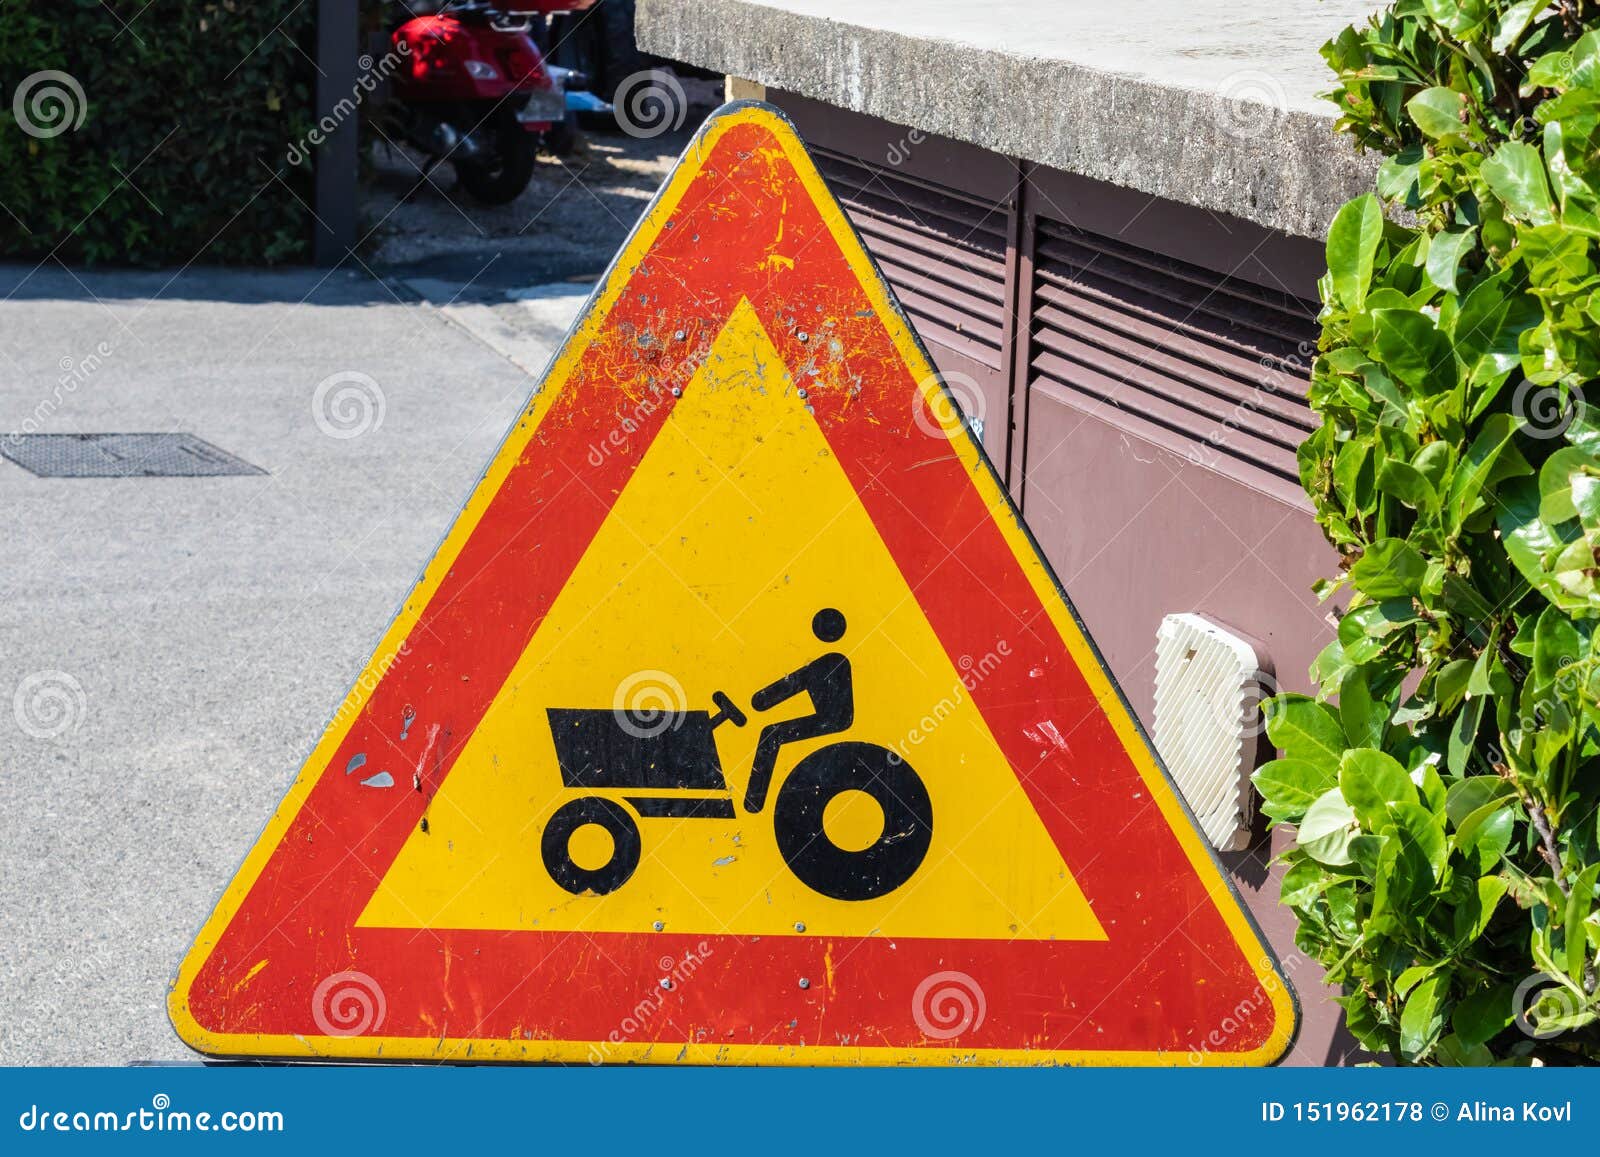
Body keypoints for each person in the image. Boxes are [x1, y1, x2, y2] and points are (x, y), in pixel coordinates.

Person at [743, 608, 853, 813]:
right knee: (771, 732)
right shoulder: (830, 661)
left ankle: (753, 801)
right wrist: (760, 701)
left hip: (832, 720)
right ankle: (753, 801)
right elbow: (771, 695)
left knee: (771, 734)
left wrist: (760, 701)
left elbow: (769, 696)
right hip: (830, 718)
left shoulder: (830, 662)